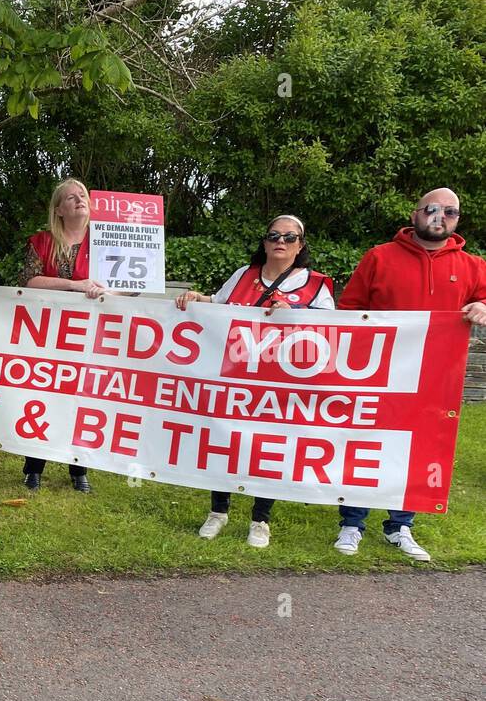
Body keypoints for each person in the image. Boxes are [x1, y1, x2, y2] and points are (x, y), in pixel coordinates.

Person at [333, 187, 486, 561]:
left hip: (436, 380)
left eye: (450, 212)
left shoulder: (472, 266)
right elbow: (349, 309)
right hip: (377, 375)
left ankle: (400, 526)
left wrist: (482, 305)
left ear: (457, 220)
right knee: (364, 448)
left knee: (419, 451)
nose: (440, 216)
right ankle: (352, 523)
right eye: (432, 209)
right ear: (415, 214)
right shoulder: (379, 257)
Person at [175, 215, 335, 548]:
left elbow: (330, 329)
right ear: (264, 242)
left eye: (290, 238)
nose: (281, 241)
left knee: (269, 447)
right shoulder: (244, 276)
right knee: (224, 440)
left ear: (300, 246)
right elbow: (217, 304)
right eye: (274, 235)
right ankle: (218, 510)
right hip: (235, 377)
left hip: (280, 383)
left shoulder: (317, 285)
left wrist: (294, 314)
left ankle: (260, 519)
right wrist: (196, 299)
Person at [17, 177, 106, 493]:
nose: (79, 199)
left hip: (89, 336)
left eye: (83, 194)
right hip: (48, 334)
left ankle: (78, 469)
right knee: (44, 398)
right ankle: (34, 467)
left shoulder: (106, 241)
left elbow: (129, 287)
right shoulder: (42, 242)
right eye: (71, 197)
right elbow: (29, 280)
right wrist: (74, 285)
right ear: (59, 209)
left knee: (82, 400)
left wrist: (105, 290)